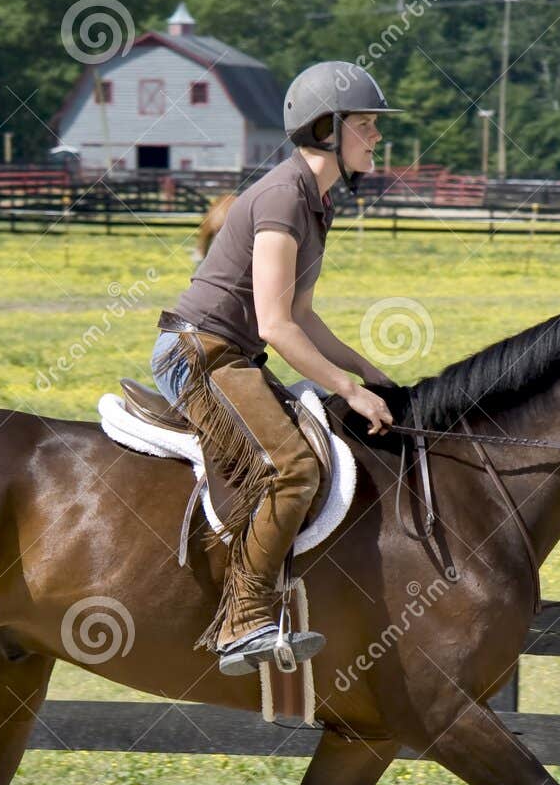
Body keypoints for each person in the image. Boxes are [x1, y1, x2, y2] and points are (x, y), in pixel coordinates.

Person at [150, 61, 399, 677]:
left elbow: (304, 315)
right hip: (200, 354)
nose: (376, 136)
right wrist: (346, 388)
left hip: (231, 355)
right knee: (291, 468)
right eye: (365, 125)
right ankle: (244, 623)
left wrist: (372, 374)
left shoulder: (317, 202)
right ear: (325, 130)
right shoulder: (284, 197)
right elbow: (275, 326)